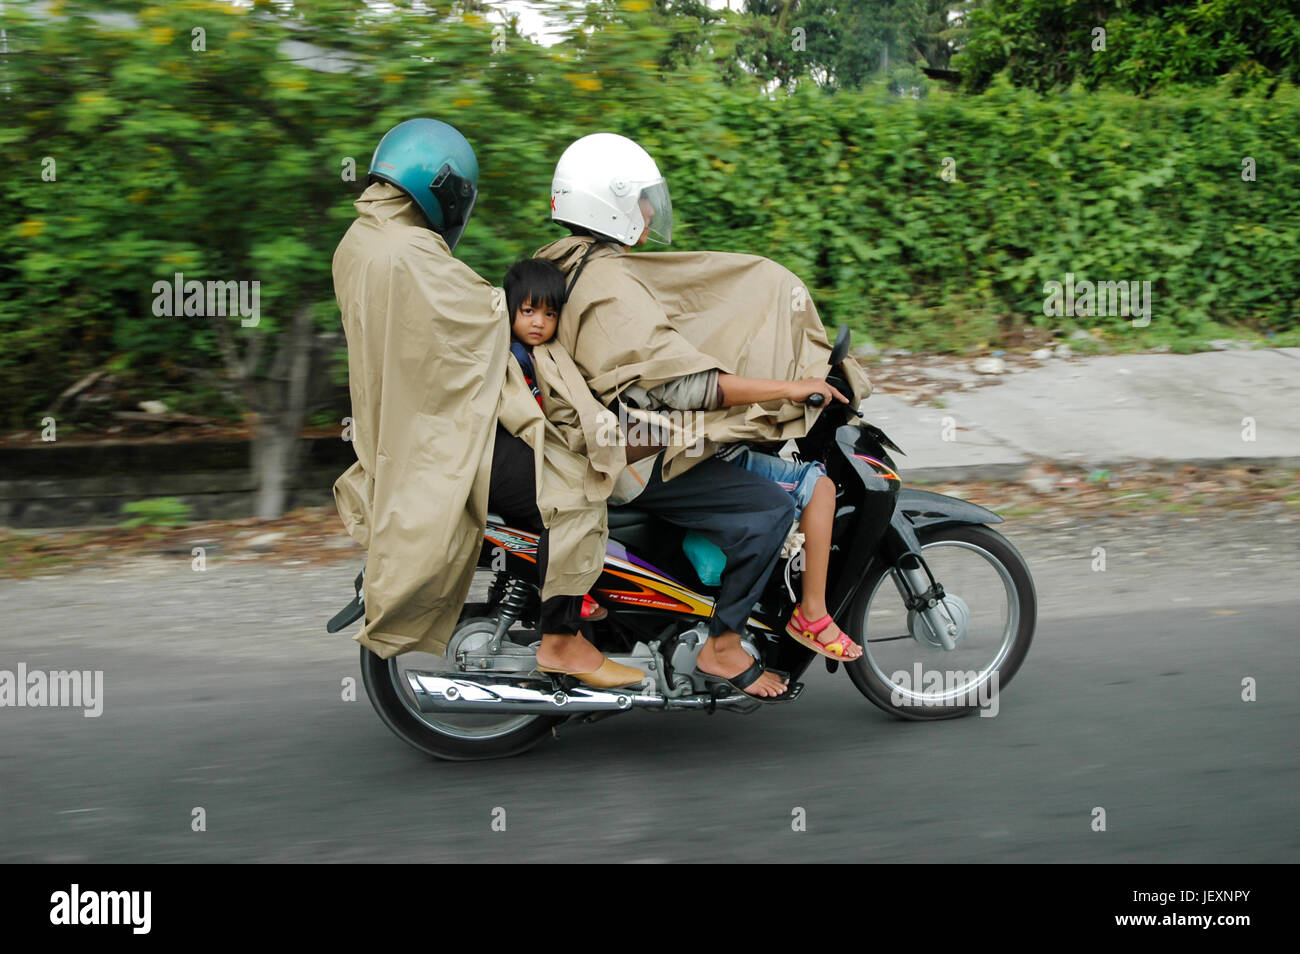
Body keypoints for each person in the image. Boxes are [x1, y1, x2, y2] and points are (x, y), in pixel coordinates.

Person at [531, 133, 876, 698]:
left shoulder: (564, 263)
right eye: (640, 199)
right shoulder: (607, 282)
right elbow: (686, 385)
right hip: (632, 456)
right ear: (610, 200)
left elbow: (658, 343)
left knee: (740, 455)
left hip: (603, 439)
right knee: (767, 509)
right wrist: (790, 386)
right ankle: (722, 645)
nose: (648, 211)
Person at [331, 119, 641, 690]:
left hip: (405, 428)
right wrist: (539, 309)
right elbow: (483, 318)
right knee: (575, 489)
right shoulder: (408, 253)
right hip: (444, 437)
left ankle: (575, 596)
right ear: (444, 189)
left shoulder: (360, 242)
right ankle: (561, 639)